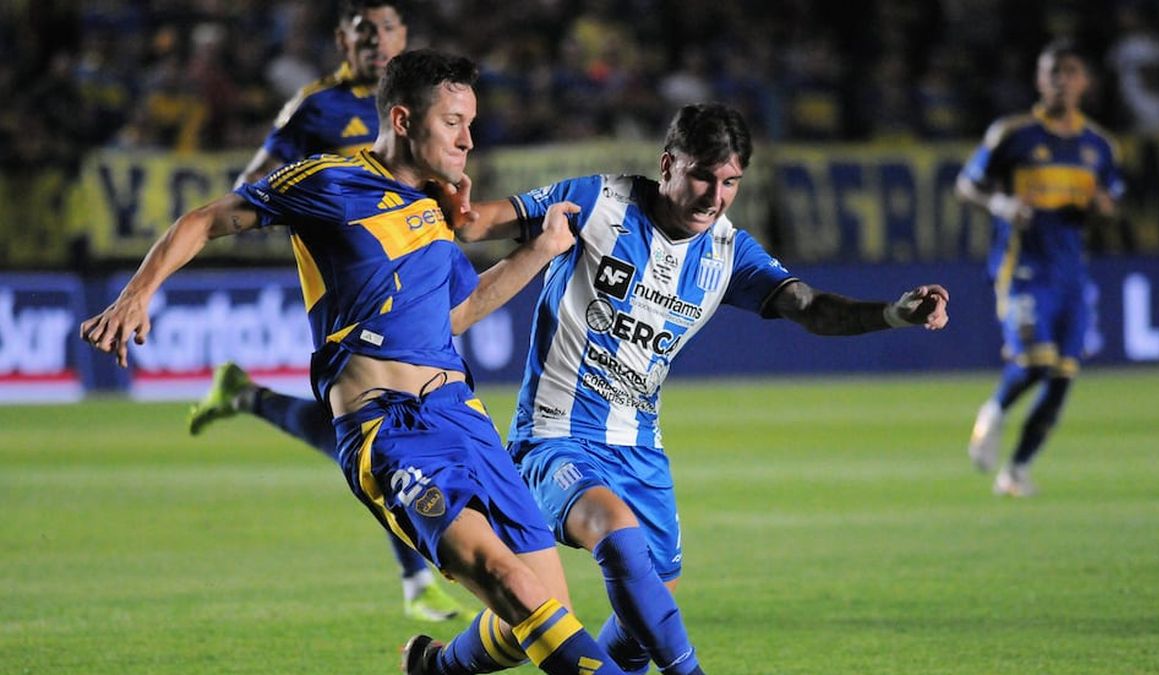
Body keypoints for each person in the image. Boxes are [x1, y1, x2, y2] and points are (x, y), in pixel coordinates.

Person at [82, 49, 624, 675]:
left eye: (470, 122)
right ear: (402, 119)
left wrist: (543, 249)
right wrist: (137, 292)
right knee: (510, 582)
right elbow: (209, 219)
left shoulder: (433, 211)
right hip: (389, 429)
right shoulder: (330, 181)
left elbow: (460, 311)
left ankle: (432, 669)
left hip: (464, 417)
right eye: (453, 122)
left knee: (543, 610)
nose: (468, 140)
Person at [403, 102, 950, 674]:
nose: (714, 196)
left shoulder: (728, 251)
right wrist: (442, 193)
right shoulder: (601, 202)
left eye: (731, 182)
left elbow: (808, 307)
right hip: (555, 436)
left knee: (627, 619)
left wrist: (892, 313)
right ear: (668, 164)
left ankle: (437, 668)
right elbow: (477, 222)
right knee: (618, 540)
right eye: (702, 176)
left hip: (642, 452)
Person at [185, 0, 464, 621]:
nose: (380, 40)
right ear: (343, 40)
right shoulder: (316, 108)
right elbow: (253, 178)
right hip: (349, 274)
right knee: (381, 418)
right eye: (367, 32)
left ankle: (248, 397)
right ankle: (422, 579)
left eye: (390, 28)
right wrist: (299, 203)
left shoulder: (423, 98)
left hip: (415, 266)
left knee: (376, 422)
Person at [956, 39, 1124, 497]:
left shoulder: (1099, 147)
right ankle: (993, 411)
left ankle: (1016, 471)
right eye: (1051, 72)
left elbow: (1112, 200)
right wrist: (1001, 203)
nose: (1060, 81)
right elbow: (966, 185)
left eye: (1069, 72)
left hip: (1072, 273)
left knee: (1063, 374)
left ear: (1084, 82)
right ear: (1038, 80)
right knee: (1034, 362)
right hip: (1023, 266)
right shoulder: (1013, 134)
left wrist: (1103, 205)